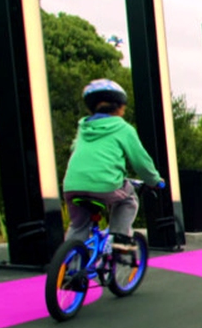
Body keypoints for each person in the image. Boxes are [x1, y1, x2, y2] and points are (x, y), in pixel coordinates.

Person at [61, 79, 163, 250]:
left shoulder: (83, 128)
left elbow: (74, 150)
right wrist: (154, 180)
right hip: (105, 185)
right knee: (128, 198)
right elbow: (141, 162)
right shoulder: (123, 128)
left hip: (72, 185)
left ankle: (67, 269)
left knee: (78, 226)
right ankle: (119, 240)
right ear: (119, 107)